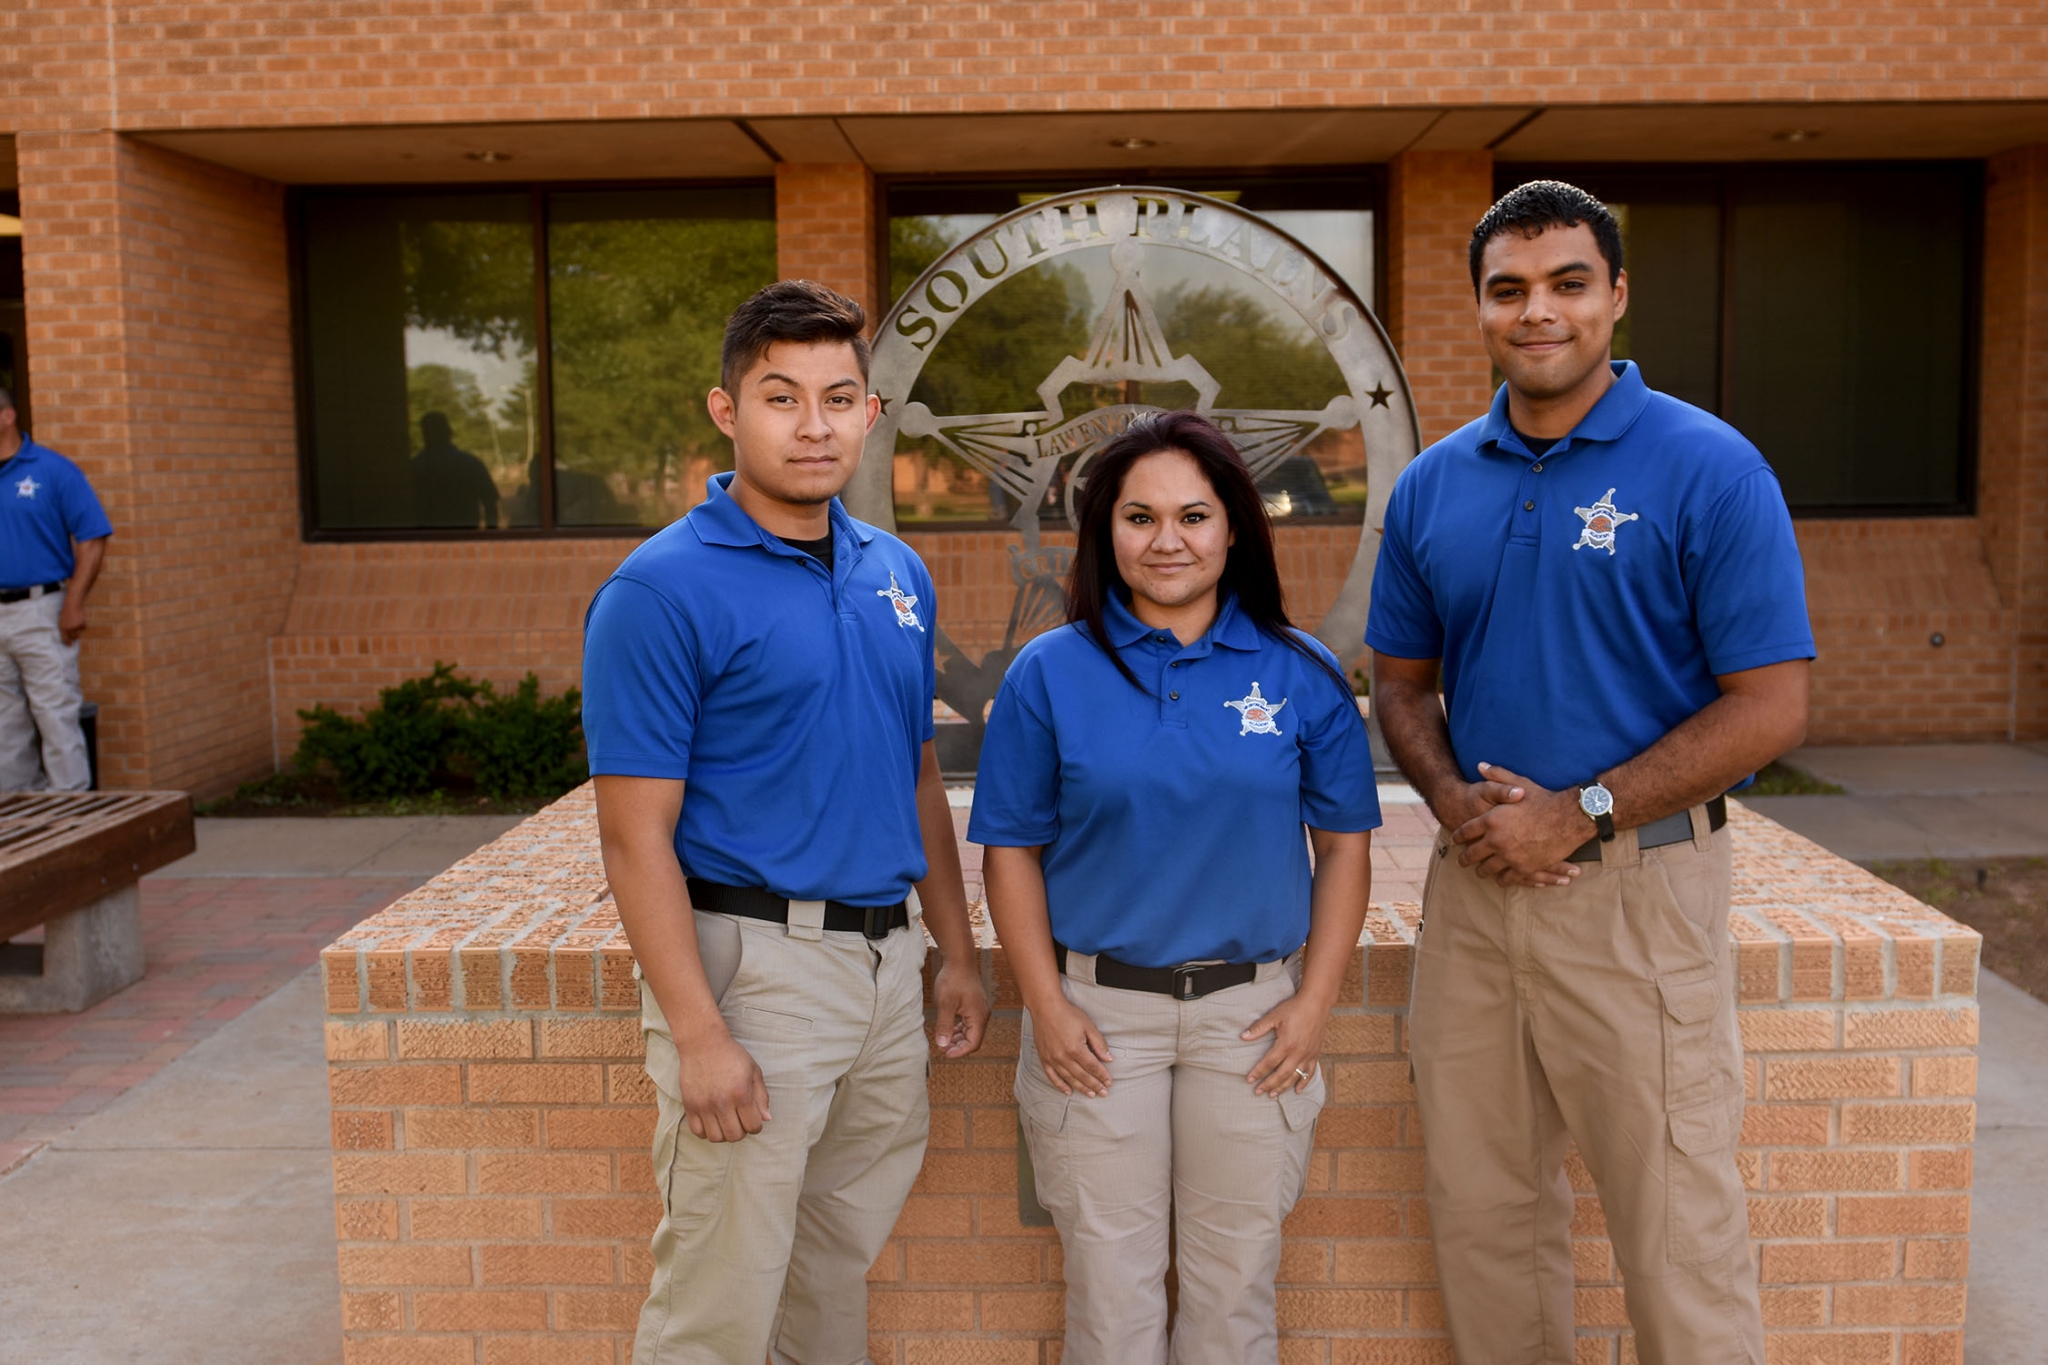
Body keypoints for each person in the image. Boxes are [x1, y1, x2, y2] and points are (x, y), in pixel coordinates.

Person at [1366, 180, 1814, 1364]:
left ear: (1615, 295)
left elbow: (1770, 705)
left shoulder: (1707, 468)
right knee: (1484, 1225)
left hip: (1638, 898)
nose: (1537, 311)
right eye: (1507, 289)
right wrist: (1455, 801)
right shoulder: (1432, 486)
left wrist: (1582, 813)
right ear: (1477, 307)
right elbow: (1400, 685)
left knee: (1676, 1235)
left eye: (1567, 283)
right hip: (1475, 900)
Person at [582, 280, 991, 1365]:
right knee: (717, 1298)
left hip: (881, 969)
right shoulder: (659, 590)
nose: (811, 425)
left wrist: (952, 948)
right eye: (780, 397)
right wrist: (700, 1034)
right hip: (753, 974)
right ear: (727, 411)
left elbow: (913, 782)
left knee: (828, 1269)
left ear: (869, 411)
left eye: (836, 397)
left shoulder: (893, 572)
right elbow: (632, 838)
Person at [971, 411, 1380, 1365]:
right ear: (1104, 532)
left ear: (1235, 525)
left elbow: (1347, 847)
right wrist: (1045, 1002)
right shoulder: (1048, 673)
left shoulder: (1301, 670)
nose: (1167, 541)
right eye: (1139, 516)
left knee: (1235, 1292)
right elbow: (1009, 853)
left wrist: (1313, 1001)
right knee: (1111, 1304)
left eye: (1194, 515)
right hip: (1097, 1019)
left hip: (1253, 1019)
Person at [0, 386, 111, 792]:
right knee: (3, 722)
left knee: (55, 712)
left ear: (7, 416)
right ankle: (15, 820)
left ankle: (71, 814)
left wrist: (74, 602)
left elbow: (93, 537)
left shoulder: (53, 470)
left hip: (41, 608)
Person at [411, 410, 500, 528]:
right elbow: (490, 503)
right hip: (465, 536)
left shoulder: (414, 466)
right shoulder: (470, 463)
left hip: (425, 539)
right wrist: (490, 537)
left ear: (424, 434)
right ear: (449, 432)